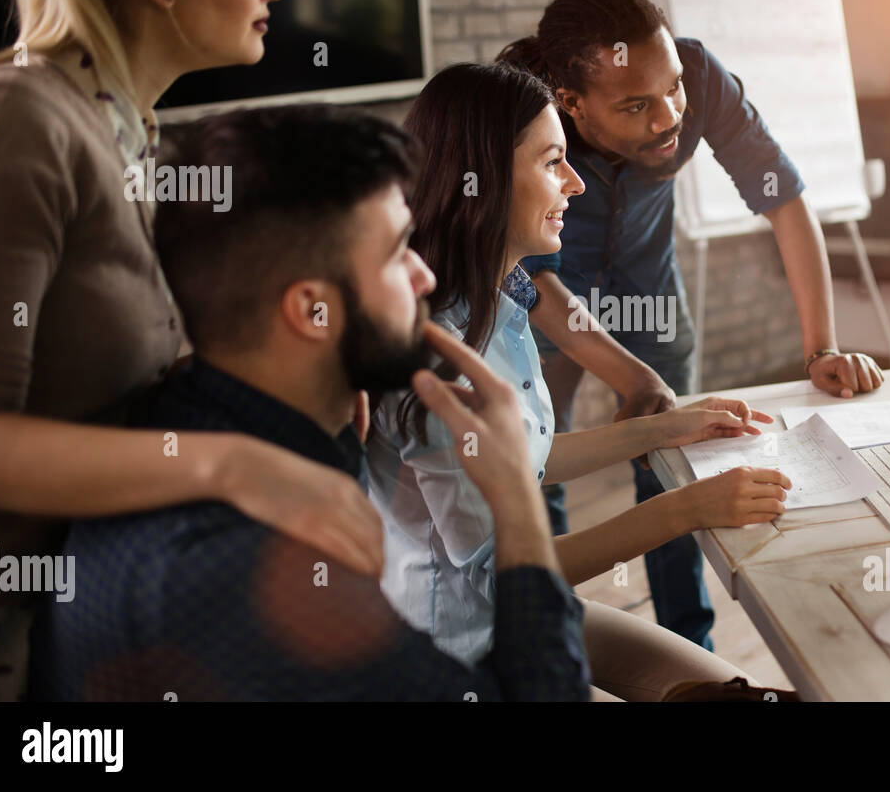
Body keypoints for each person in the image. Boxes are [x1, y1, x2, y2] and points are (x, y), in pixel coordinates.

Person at [30, 104, 591, 702]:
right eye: (398, 251)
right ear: (308, 311)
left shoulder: (178, 422)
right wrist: (516, 503)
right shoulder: (258, 578)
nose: (424, 277)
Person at [0, 0, 386, 702]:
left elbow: (111, 392)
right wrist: (235, 461)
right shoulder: (19, 118)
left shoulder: (134, 135)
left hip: (99, 624)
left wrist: (293, 393)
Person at [369, 63, 790, 701]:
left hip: (526, 619)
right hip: (462, 658)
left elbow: (527, 458)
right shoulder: (436, 360)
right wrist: (686, 508)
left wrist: (666, 427)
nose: (575, 184)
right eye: (552, 162)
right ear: (477, 182)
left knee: (750, 696)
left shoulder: (498, 301)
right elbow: (498, 575)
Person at [497, 0, 887, 649]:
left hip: (652, 286)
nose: (670, 117)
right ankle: (549, 633)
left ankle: (689, 645)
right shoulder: (523, 107)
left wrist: (821, 349)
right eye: (637, 105)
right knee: (539, 460)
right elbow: (530, 278)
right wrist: (632, 377)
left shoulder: (700, 77)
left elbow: (784, 202)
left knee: (671, 459)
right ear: (571, 104)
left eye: (673, 86)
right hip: (551, 298)